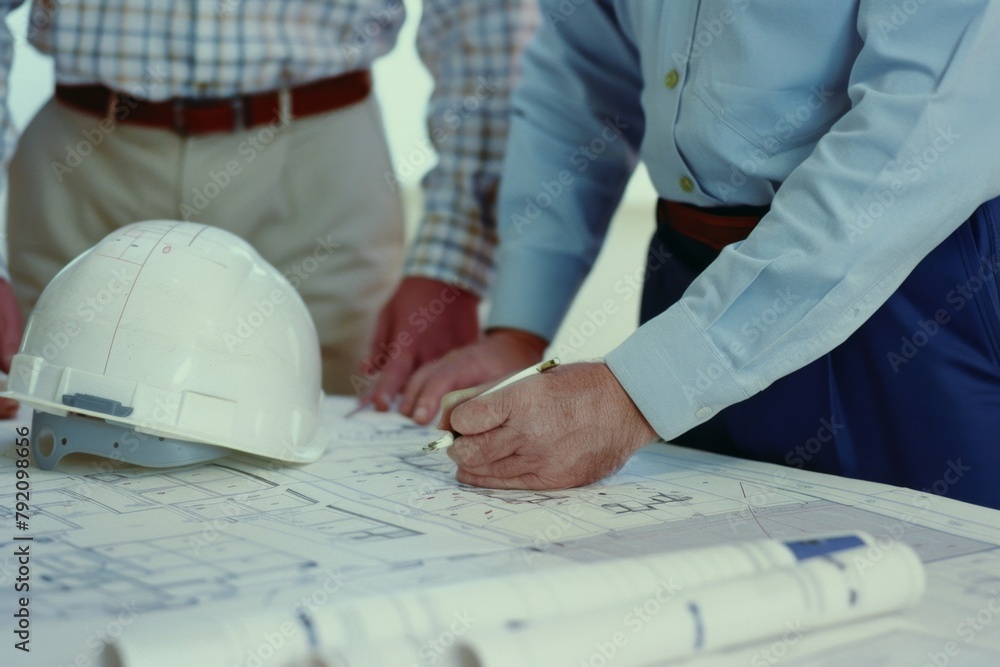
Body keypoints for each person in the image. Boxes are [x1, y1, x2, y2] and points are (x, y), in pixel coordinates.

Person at [398, 1, 1000, 509]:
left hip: (909, 290)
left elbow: (933, 118)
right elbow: (577, 84)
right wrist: (518, 332)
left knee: (919, 603)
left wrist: (639, 392)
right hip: (685, 279)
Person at [0, 0, 536, 401]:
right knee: (53, 438)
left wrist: (454, 263)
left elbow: (487, 17)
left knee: (332, 456)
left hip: (318, 169)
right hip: (85, 166)